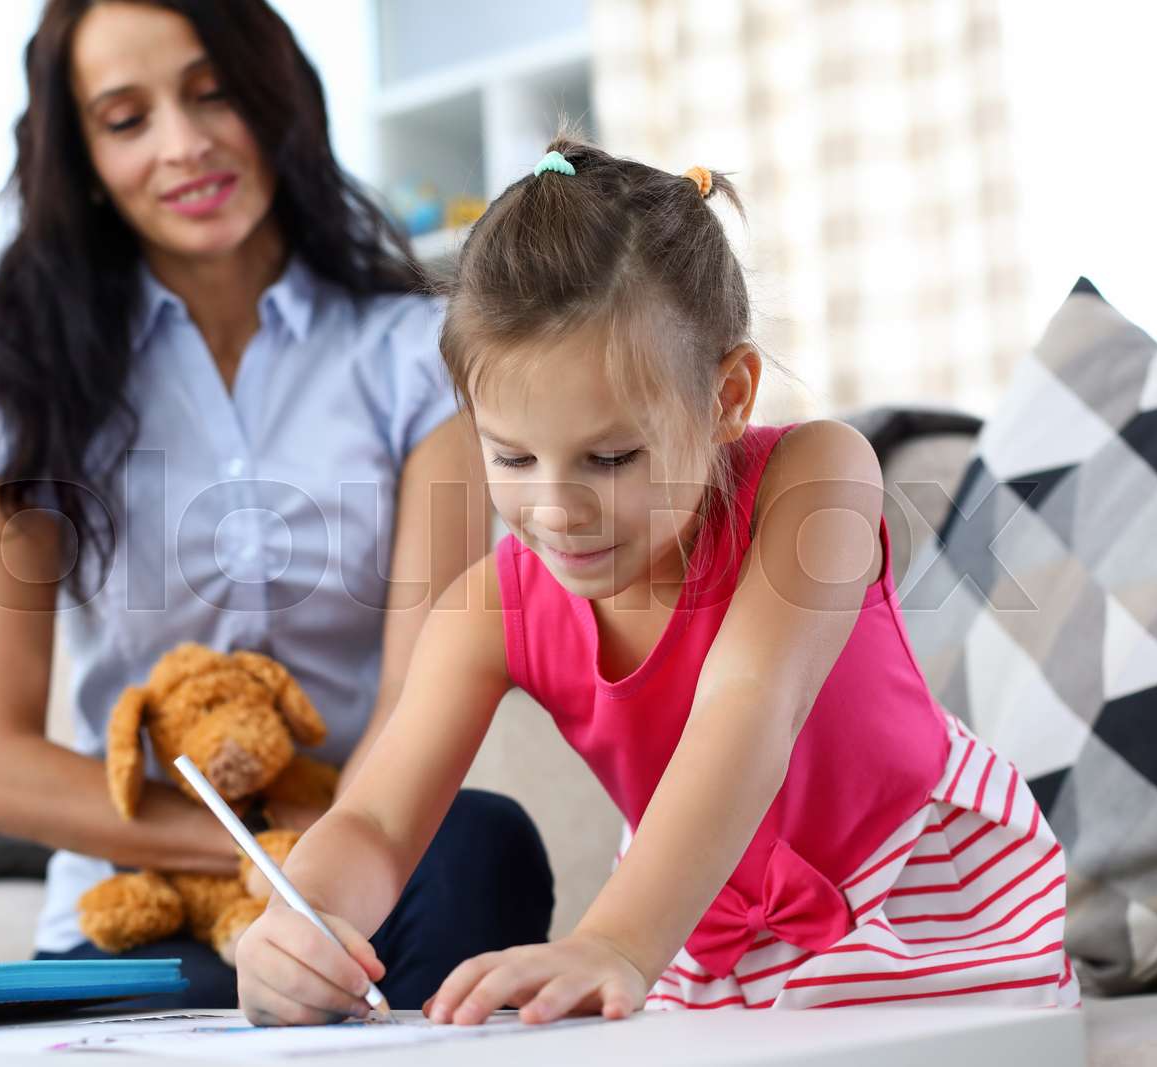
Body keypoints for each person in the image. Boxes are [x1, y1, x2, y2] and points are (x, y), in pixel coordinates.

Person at [235, 137, 1080, 1025]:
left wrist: (616, 941)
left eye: (609, 457)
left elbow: (748, 705)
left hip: (915, 900)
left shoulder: (817, 475)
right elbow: (376, 820)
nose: (556, 508)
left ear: (729, 397)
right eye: (512, 455)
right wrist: (306, 917)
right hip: (698, 937)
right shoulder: (485, 610)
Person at [0, 0, 552, 1009]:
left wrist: (326, 861)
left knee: (483, 841)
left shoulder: (419, 355)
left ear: (277, 98)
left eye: (212, 92)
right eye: (126, 118)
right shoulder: (28, 391)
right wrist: (253, 854)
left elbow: (421, 694)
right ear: (83, 156)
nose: (183, 145)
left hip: (368, 883)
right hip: (140, 909)